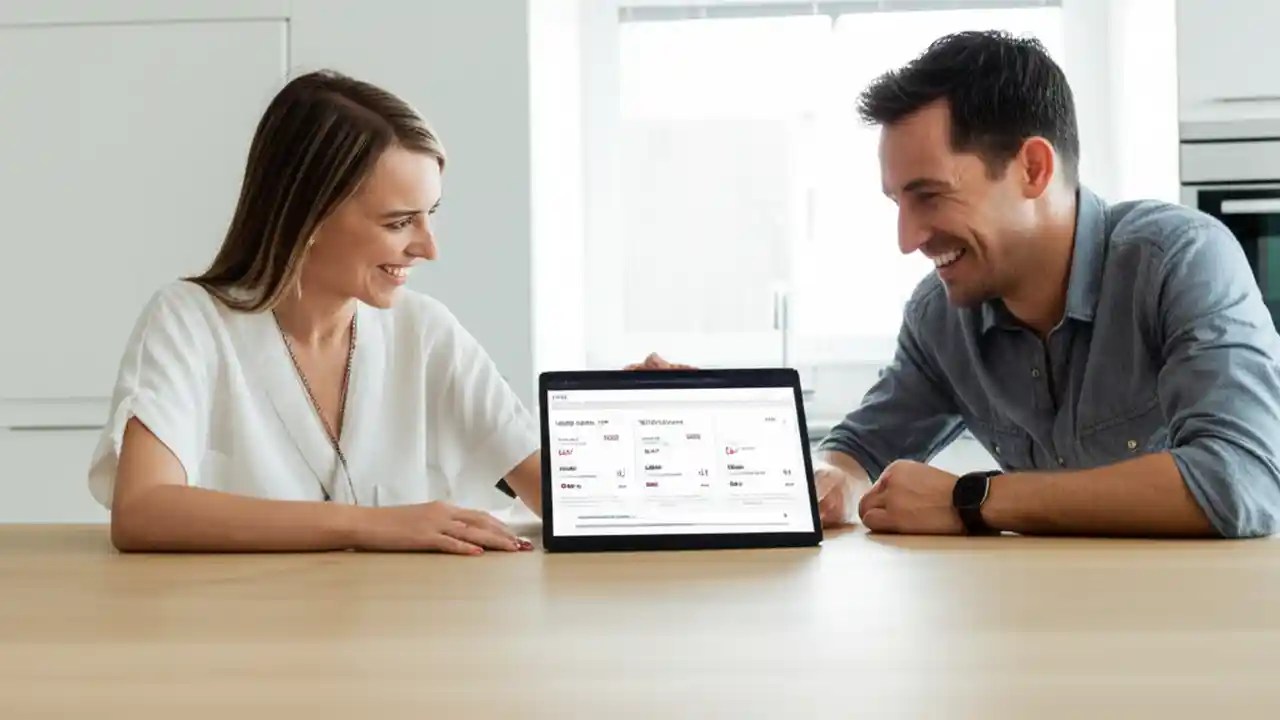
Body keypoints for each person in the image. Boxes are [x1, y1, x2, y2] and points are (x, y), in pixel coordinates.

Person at [635, 31, 1280, 538]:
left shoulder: (1179, 261)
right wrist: (731, 433)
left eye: (930, 196)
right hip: (1045, 633)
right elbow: (857, 453)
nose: (908, 239)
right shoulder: (942, 315)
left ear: (1032, 168)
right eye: (896, 203)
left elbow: (1243, 482)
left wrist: (971, 500)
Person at [89, 70, 541, 554]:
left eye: (432, 213)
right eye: (399, 222)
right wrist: (369, 525)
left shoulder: (425, 331)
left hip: (403, 626)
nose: (428, 248)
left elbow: (560, 499)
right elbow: (142, 511)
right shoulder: (190, 322)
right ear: (311, 217)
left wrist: (631, 417)